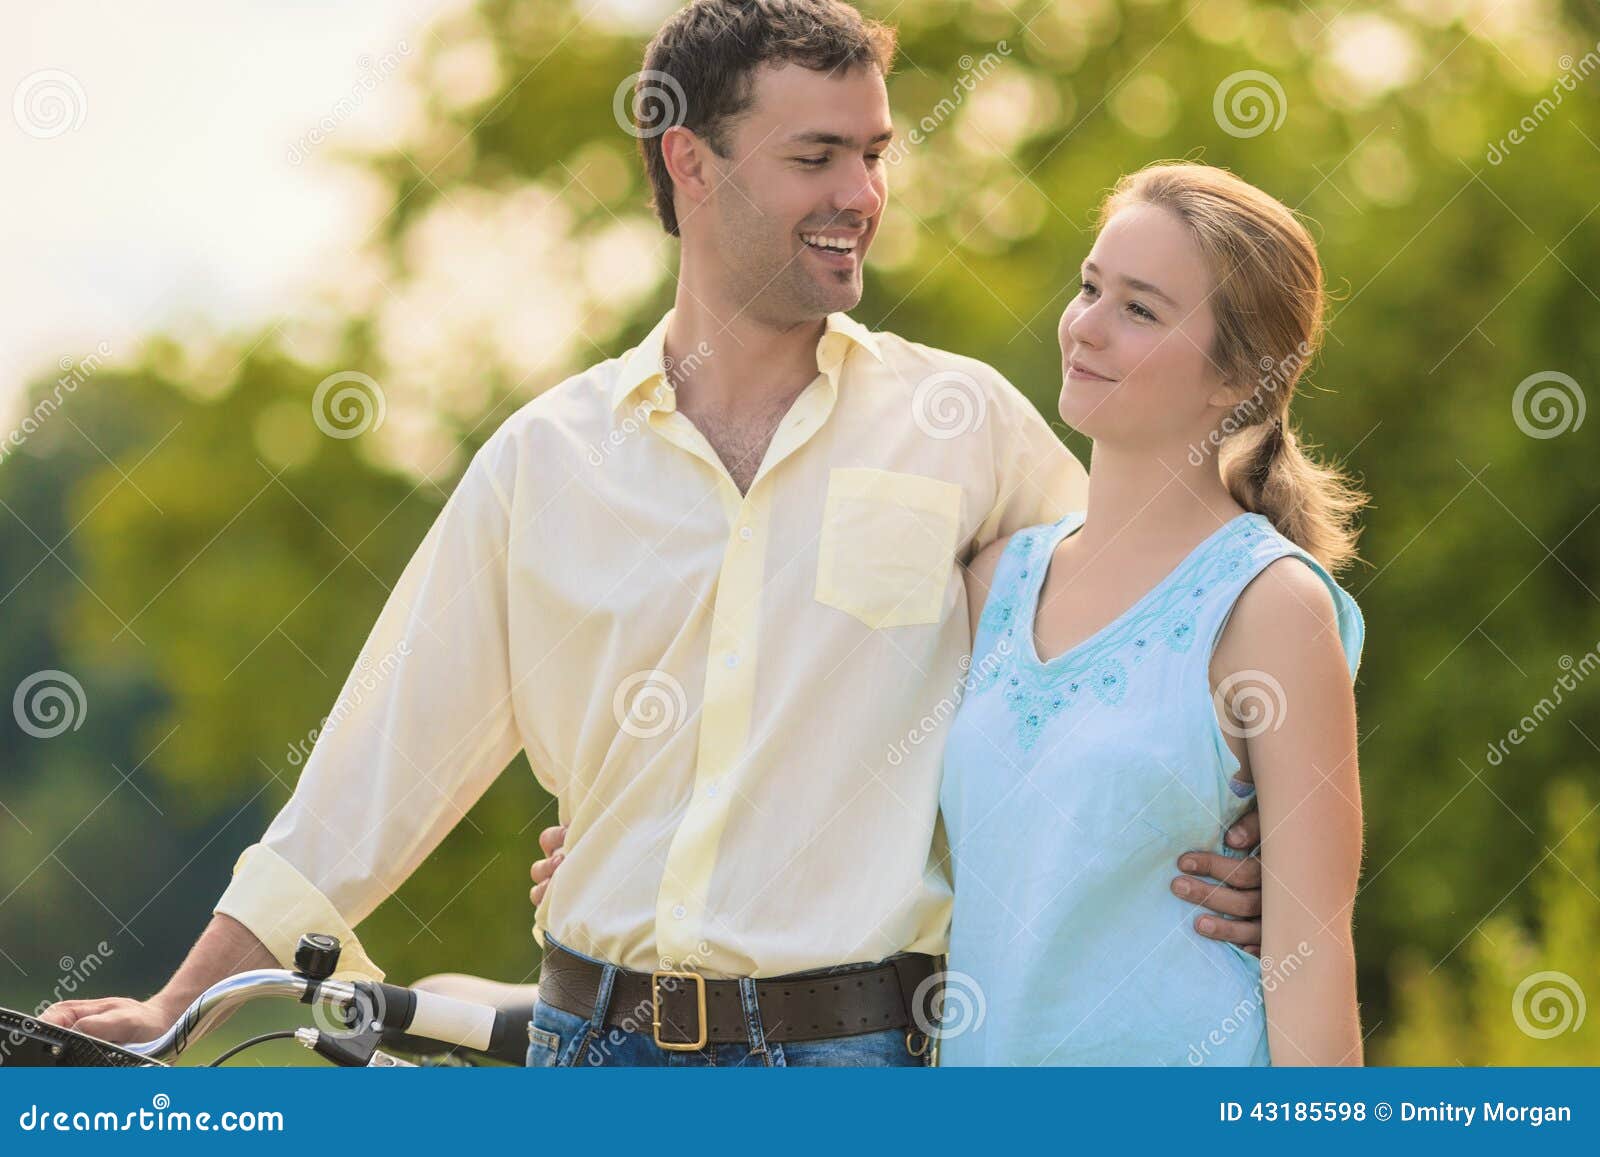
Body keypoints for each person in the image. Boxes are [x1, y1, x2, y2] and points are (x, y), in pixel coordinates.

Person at [42, 1, 1264, 1067]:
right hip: (587, 1051)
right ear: (692, 160)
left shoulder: (967, 432)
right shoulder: (544, 459)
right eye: (816, 155)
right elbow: (373, 771)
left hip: (858, 1059)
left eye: (875, 153)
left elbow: (1153, 639)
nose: (861, 193)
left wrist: (1249, 830)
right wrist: (176, 1001)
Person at [939, 162, 1366, 1065]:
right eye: (1091, 287)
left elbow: (1312, 954)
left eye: (1139, 309)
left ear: (1238, 377)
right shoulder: (993, 582)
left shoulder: (1268, 606)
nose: (1085, 326)